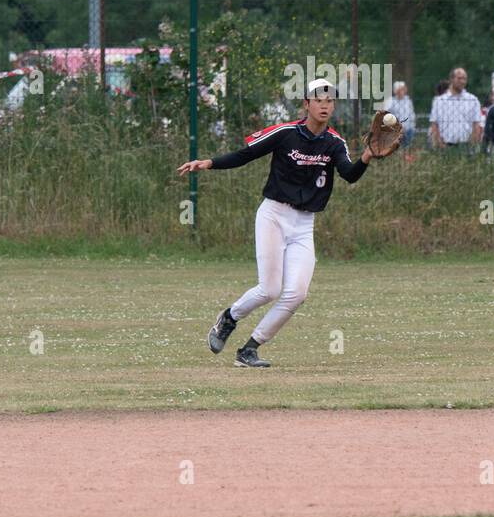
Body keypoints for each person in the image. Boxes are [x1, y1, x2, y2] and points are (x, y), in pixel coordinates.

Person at [178, 78, 376, 368]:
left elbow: (350, 174)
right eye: (318, 99)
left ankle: (249, 349)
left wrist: (367, 157)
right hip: (273, 215)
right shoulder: (285, 133)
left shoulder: (334, 143)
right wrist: (209, 163)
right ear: (306, 104)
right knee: (269, 289)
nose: (324, 105)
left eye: (330, 100)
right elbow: (245, 155)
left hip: (304, 223)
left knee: (297, 293)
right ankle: (229, 318)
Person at [430, 67, 483, 149]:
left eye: (464, 79)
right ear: (451, 79)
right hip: (444, 146)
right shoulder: (439, 101)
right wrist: (439, 143)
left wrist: (473, 144)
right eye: (459, 78)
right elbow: (434, 125)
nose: (462, 81)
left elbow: (476, 125)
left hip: (466, 146)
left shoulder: (473, 100)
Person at [381, 80, 416, 148]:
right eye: (401, 89)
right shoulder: (391, 101)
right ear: (396, 91)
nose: (404, 90)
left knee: (407, 148)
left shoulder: (408, 100)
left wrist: (413, 126)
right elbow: (384, 114)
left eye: (404, 89)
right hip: (396, 131)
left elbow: (412, 114)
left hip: (409, 129)